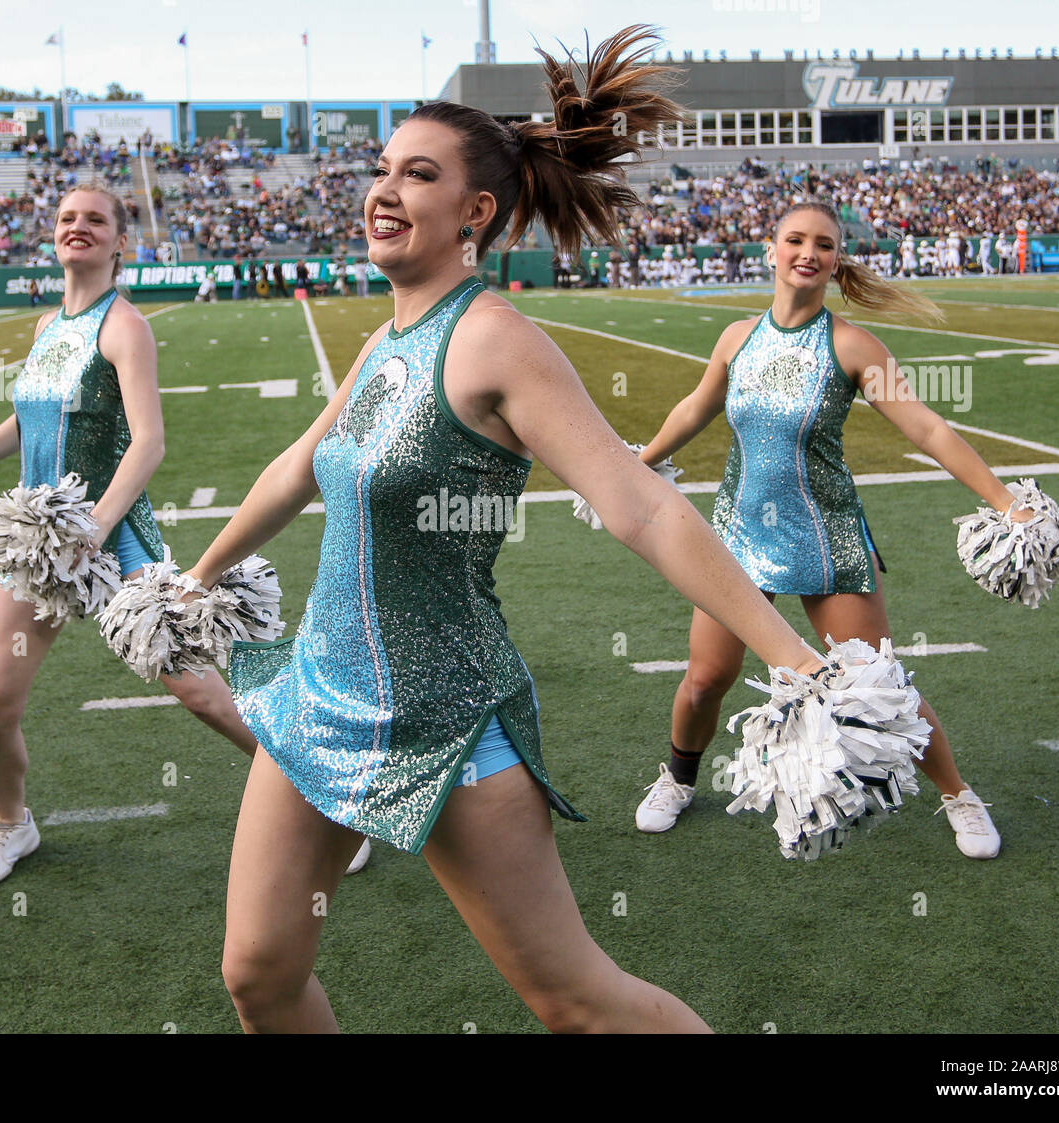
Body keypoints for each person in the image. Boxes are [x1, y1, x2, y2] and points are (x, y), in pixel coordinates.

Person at [179, 26, 846, 1035]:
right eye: (380, 169)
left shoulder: (495, 337)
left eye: (417, 173)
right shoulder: (385, 339)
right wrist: (194, 577)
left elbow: (641, 502)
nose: (383, 189)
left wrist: (798, 660)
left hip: (447, 715)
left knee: (572, 999)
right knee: (257, 972)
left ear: (474, 212)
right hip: (317, 693)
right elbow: (295, 467)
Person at [0, 183, 343, 891]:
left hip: (114, 537)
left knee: (203, 695)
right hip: (41, 546)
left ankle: (321, 804)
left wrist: (95, 527)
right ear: (53, 234)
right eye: (67, 218)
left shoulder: (122, 326)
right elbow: (27, 421)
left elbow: (148, 443)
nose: (78, 228)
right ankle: (12, 824)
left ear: (121, 241)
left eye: (96, 219)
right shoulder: (45, 327)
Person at [631, 199, 1033, 860]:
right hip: (737, 535)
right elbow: (696, 407)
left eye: (823, 244)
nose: (807, 253)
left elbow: (926, 427)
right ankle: (676, 778)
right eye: (795, 240)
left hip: (826, 535)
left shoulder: (850, 344)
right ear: (771, 249)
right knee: (705, 680)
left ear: (835, 259)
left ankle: (959, 797)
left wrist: (1005, 501)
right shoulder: (736, 337)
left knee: (878, 685)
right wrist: (634, 464)